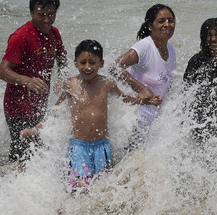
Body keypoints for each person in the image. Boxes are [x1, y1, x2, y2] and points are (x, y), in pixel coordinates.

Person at [21, 40, 141, 189]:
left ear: (101, 63)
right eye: (82, 62)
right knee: (78, 187)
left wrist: (143, 100)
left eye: (92, 62)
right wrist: (36, 128)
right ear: (75, 63)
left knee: (102, 187)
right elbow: (55, 110)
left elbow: (124, 98)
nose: (87, 67)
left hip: (101, 146)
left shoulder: (107, 84)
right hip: (78, 147)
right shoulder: (70, 84)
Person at [0, 0, 66, 162]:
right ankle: (9, 185)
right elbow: (2, 71)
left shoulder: (54, 33)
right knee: (23, 156)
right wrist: (27, 81)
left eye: (51, 14)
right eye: (41, 15)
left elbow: (62, 60)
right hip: (18, 107)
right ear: (31, 13)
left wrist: (61, 79)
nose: (47, 20)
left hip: (39, 105)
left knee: (37, 152)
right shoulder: (20, 37)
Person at [113, 4, 177, 151]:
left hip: (154, 120)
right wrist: (141, 88)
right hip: (136, 119)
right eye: (161, 21)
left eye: (170, 20)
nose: (167, 25)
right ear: (150, 26)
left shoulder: (171, 49)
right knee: (130, 163)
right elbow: (115, 66)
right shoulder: (145, 46)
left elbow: (166, 82)